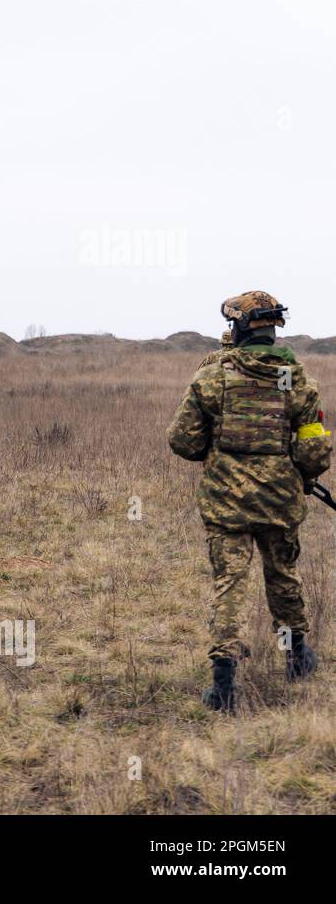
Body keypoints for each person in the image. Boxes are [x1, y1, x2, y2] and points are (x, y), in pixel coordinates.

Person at [167, 291, 330, 711]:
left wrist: (220, 452)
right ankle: (296, 658)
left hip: (226, 505)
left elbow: (183, 441)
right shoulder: (296, 380)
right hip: (278, 502)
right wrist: (299, 474)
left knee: (230, 585)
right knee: (282, 578)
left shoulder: (212, 378)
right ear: (273, 329)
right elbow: (314, 451)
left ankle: (223, 685)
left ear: (239, 328)